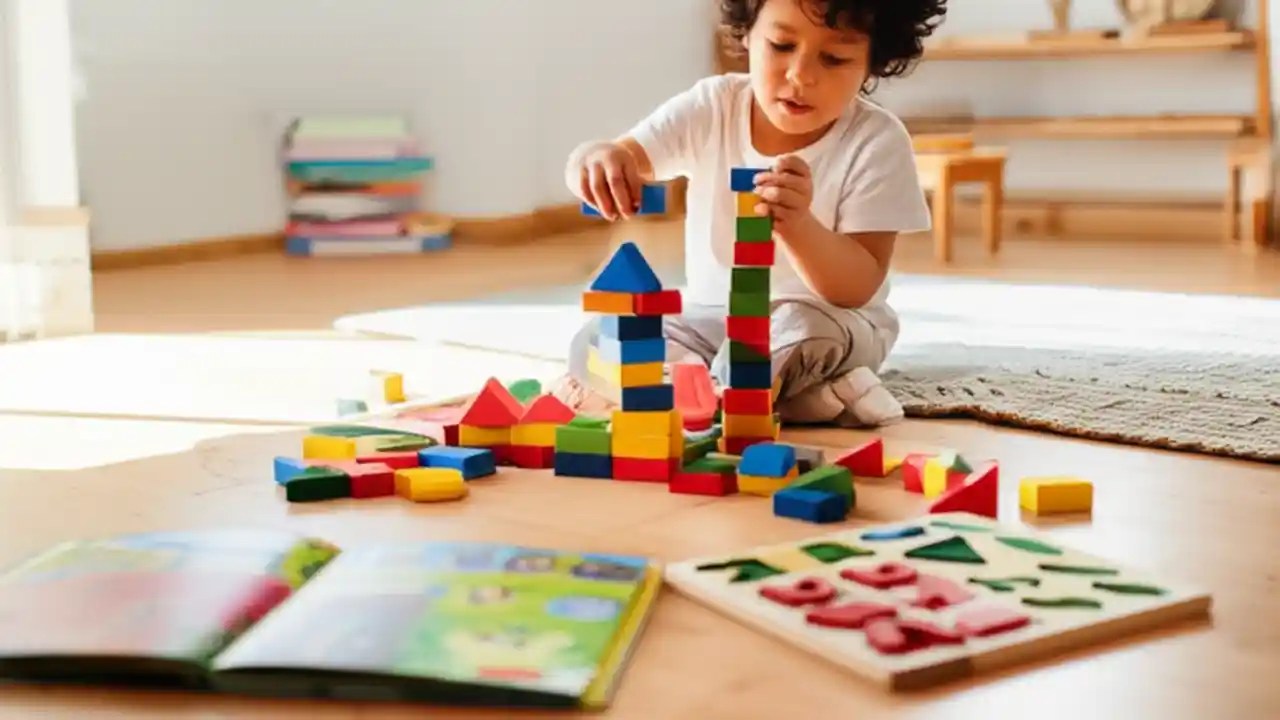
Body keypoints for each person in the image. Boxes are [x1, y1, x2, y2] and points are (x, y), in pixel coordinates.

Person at [557, 0, 947, 425]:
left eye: (834, 58)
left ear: (874, 62)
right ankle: (720, 393)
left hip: (828, 323)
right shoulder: (713, 106)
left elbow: (855, 288)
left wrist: (799, 227)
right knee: (601, 337)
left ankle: (739, 394)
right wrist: (593, 159)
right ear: (747, 33)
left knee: (799, 327)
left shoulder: (876, 142)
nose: (801, 75)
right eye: (781, 45)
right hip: (711, 324)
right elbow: (626, 155)